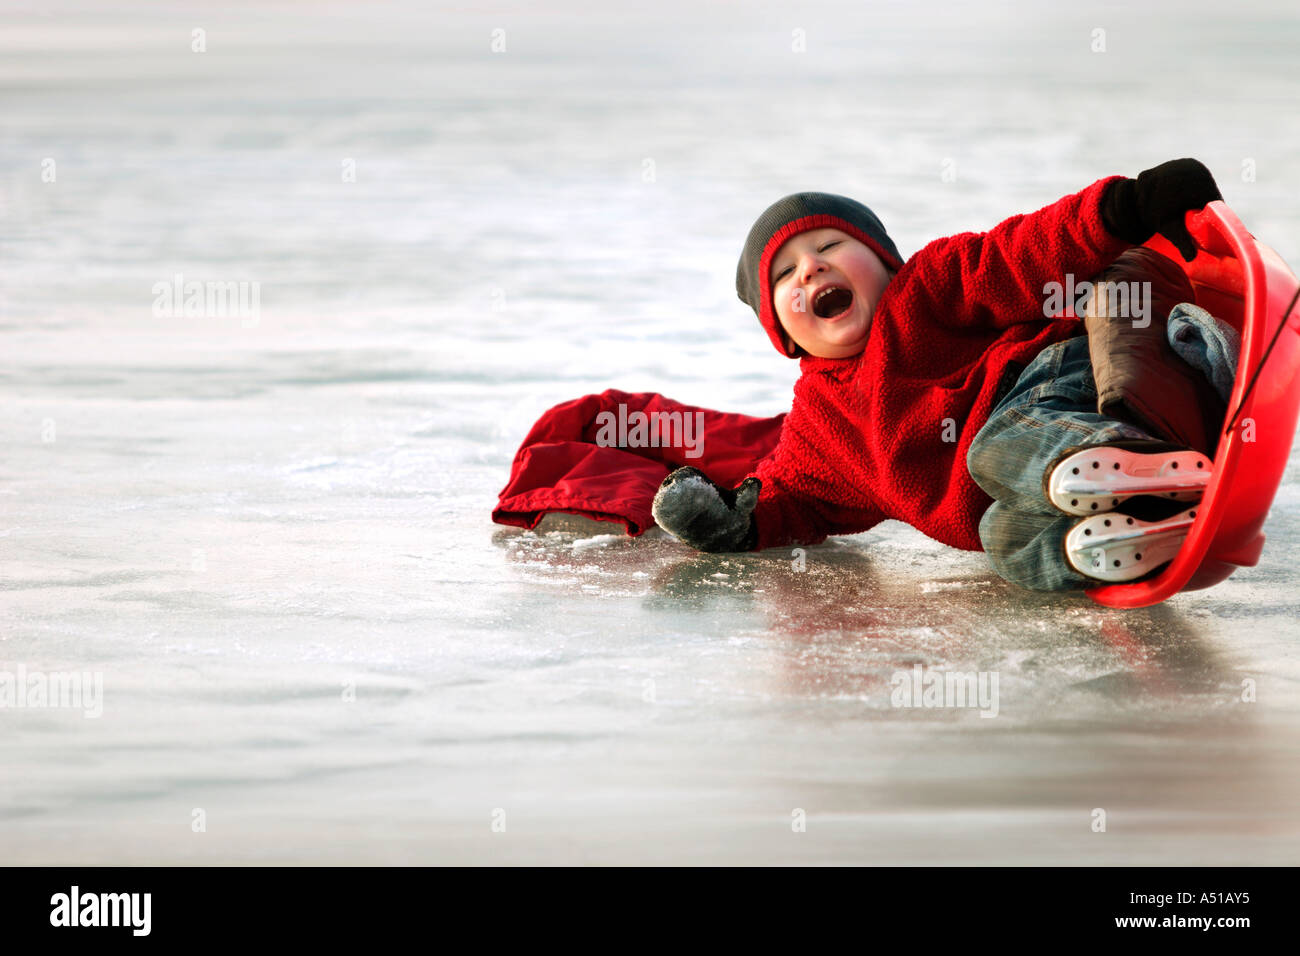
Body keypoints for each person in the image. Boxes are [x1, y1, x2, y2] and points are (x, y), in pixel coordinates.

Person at [650, 159, 1229, 589]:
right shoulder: (818, 427)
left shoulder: (925, 290)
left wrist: (1125, 206)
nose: (811, 267)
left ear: (883, 262)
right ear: (779, 329)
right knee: (1005, 541)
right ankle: (1142, 530)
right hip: (1034, 493)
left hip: (1050, 388)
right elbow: (798, 497)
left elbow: (1020, 251)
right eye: (784, 273)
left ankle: (1138, 462)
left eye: (830, 243)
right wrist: (733, 525)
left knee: (992, 449)